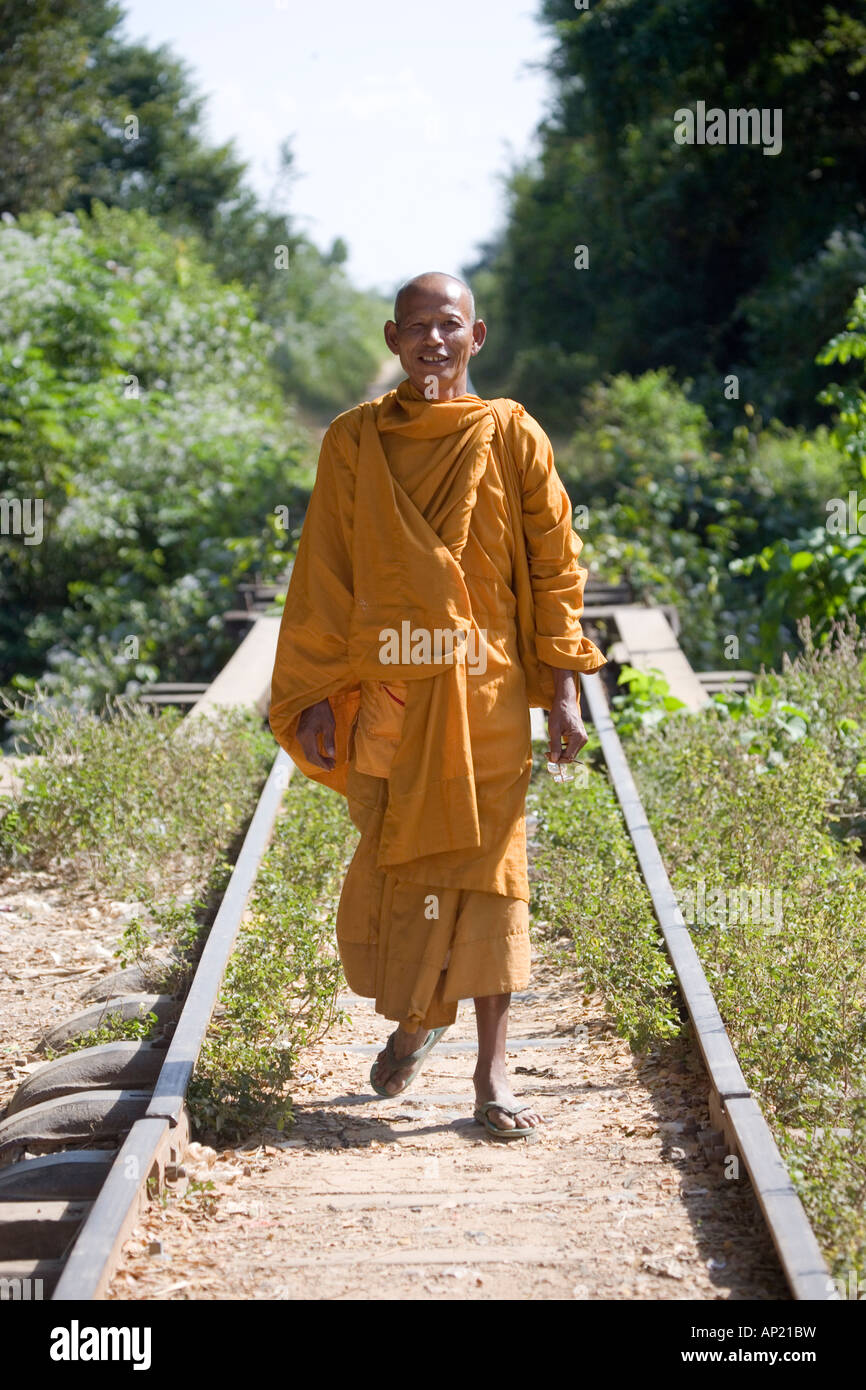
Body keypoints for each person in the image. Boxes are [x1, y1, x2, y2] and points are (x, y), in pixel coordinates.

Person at [269, 272, 605, 1139]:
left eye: (447, 325)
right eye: (416, 327)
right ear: (391, 339)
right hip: (391, 693)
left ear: (477, 335)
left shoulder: (511, 433)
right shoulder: (354, 442)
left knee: (493, 874)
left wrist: (563, 688)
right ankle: (417, 1018)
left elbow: (553, 566)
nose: (432, 341)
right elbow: (326, 571)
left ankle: (493, 1075)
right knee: (405, 857)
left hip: (488, 693)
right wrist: (313, 693)